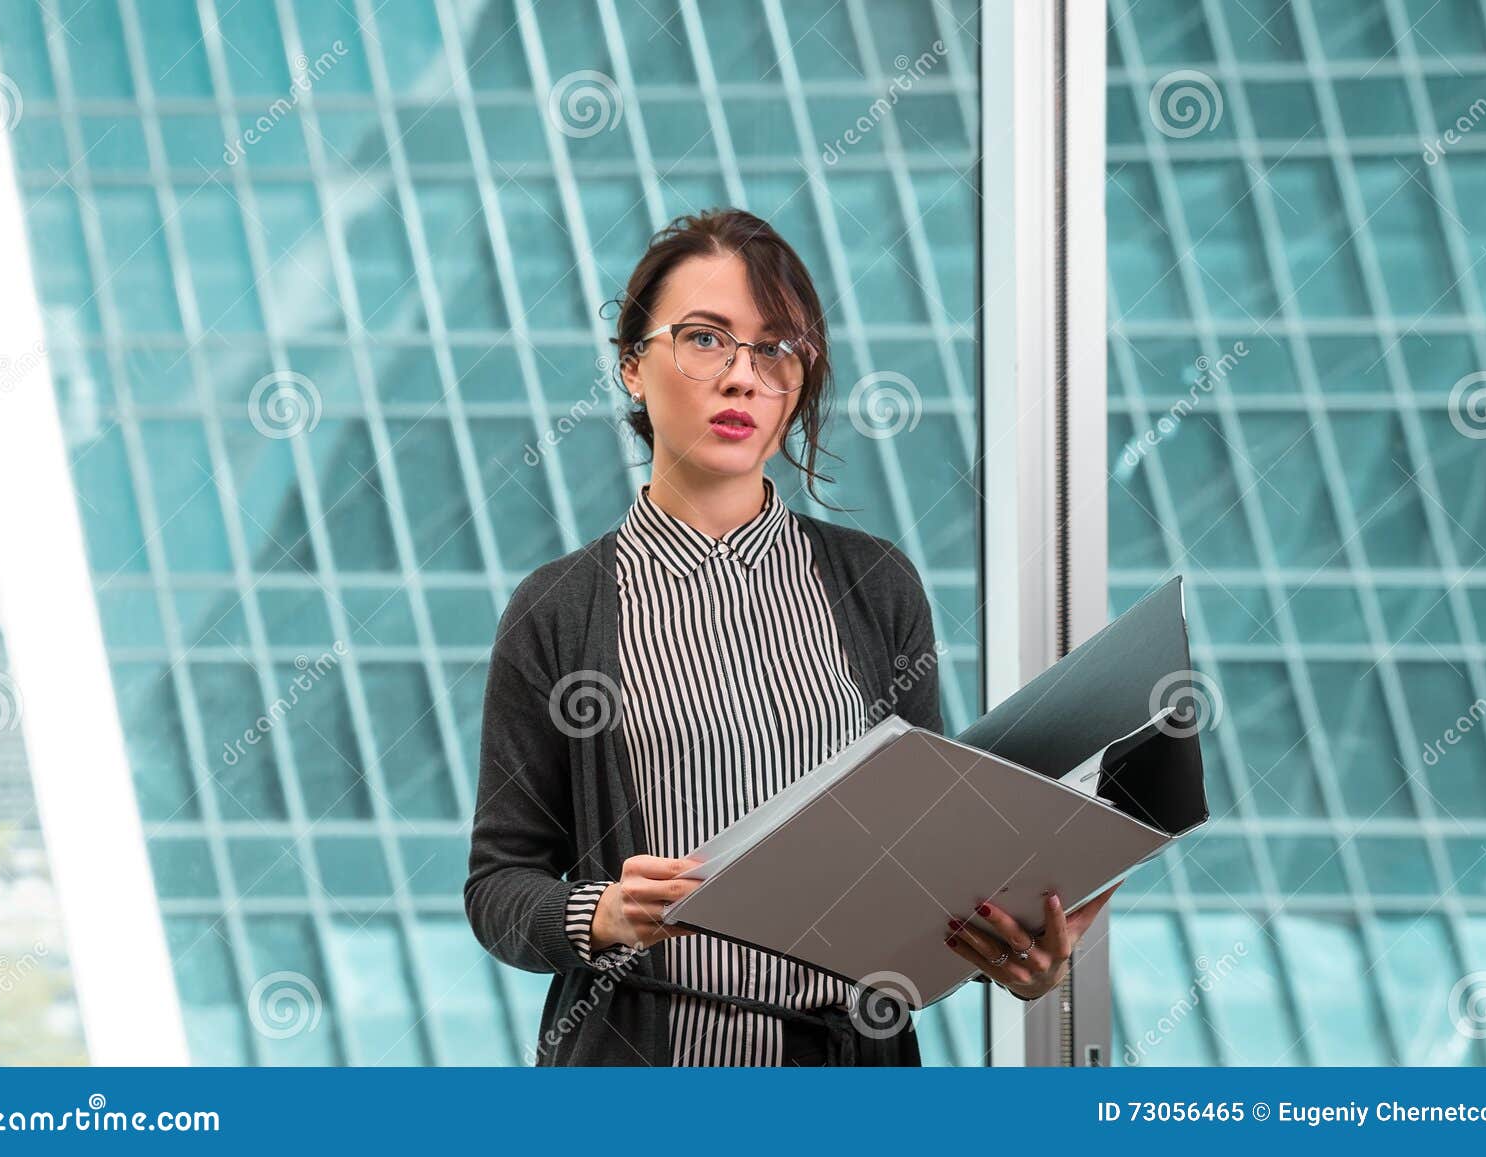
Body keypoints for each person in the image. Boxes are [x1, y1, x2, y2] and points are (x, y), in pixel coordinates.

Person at [464, 207, 1117, 1066]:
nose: (742, 377)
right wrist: (600, 914)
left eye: (776, 349)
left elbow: (923, 860)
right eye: (705, 339)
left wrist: (1012, 955)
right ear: (631, 367)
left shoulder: (876, 585)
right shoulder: (559, 609)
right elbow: (498, 884)